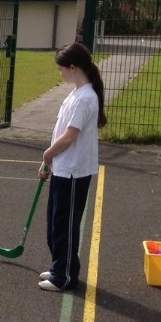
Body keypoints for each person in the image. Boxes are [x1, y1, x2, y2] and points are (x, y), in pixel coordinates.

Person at [38, 41, 107, 292]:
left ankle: (65, 276)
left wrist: (47, 155)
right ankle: (60, 266)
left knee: (65, 224)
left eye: (61, 68)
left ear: (73, 67)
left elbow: (69, 136)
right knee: (55, 223)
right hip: (62, 167)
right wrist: (50, 161)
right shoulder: (75, 94)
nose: (60, 73)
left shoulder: (85, 98)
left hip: (74, 171)